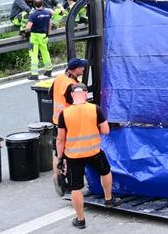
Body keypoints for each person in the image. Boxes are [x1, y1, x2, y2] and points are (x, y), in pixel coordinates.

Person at [57, 83, 120, 229]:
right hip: (94, 152)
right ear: (86, 94)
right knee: (105, 171)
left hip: (73, 155)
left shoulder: (64, 114)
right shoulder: (95, 109)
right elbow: (105, 130)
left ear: (72, 95)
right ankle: (108, 199)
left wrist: (60, 158)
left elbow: (60, 139)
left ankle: (80, 220)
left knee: (76, 187)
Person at [25, 0, 55, 79]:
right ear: (42, 4)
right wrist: (48, 34)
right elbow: (50, 24)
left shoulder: (33, 14)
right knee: (45, 53)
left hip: (35, 37)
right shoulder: (47, 13)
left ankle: (34, 74)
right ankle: (49, 71)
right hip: (44, 36)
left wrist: (26, 31)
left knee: (34, 55)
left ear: (34, 5)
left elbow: (28, 27)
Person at [51, 58, 87, 124]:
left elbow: (51, 94)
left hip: (57, 120)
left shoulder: (59, 77)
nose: (84, 68)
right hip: (68, 121)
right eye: (82, 67)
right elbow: (77, 104)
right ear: (77, 69)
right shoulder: (71, 85)